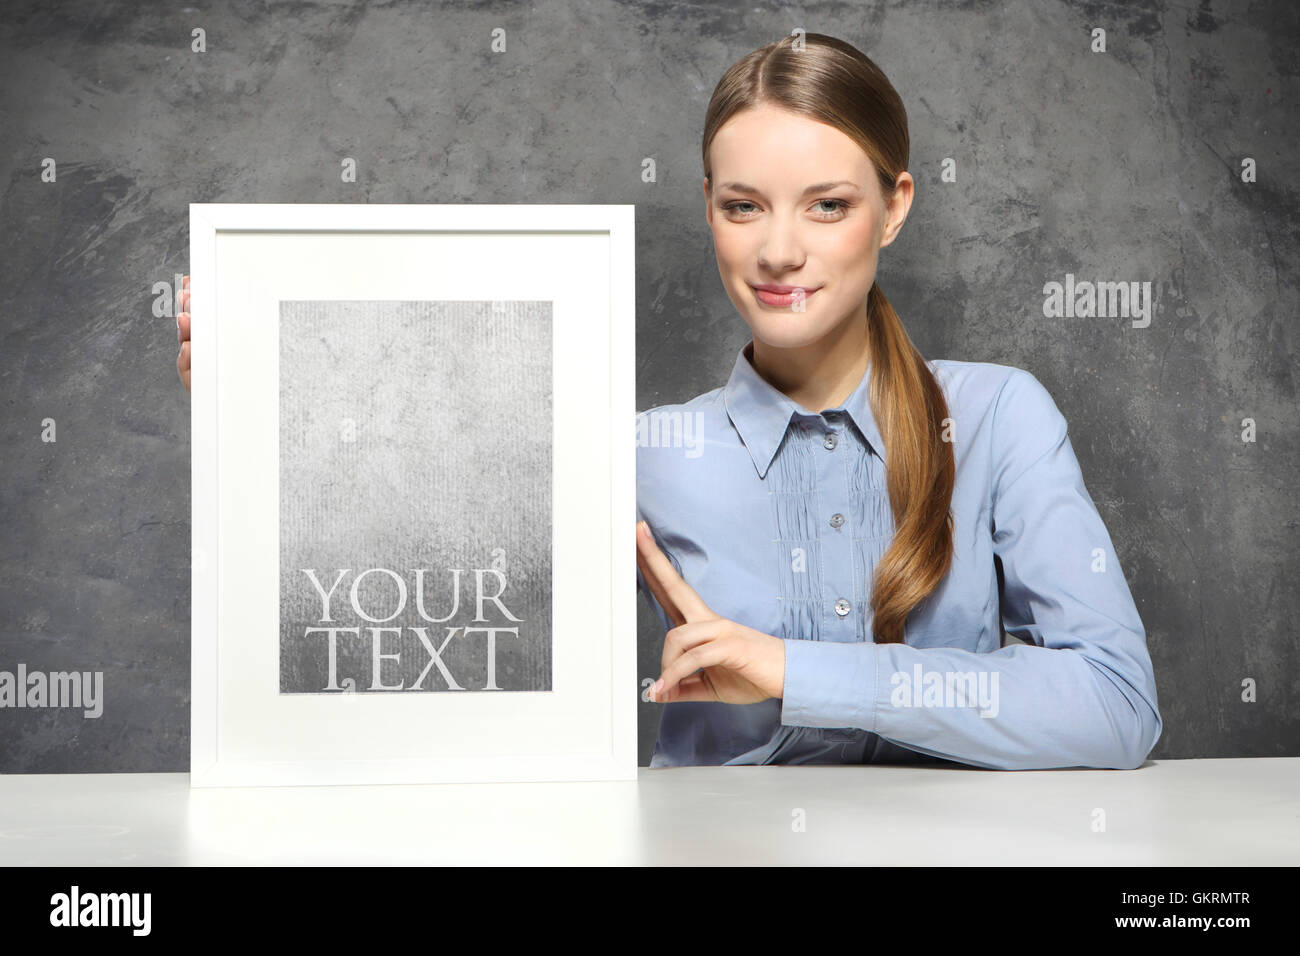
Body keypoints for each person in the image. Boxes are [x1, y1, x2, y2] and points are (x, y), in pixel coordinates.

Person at [179, 32, 1162, 772]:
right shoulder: (639, 451)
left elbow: (1115, 705)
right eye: (744, 206)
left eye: (827, 203)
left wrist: (792, 670)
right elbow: (413, 592)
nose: (780, 250)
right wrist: (268, 406)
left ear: (895, 204)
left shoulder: (994, 417)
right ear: (708, 209)